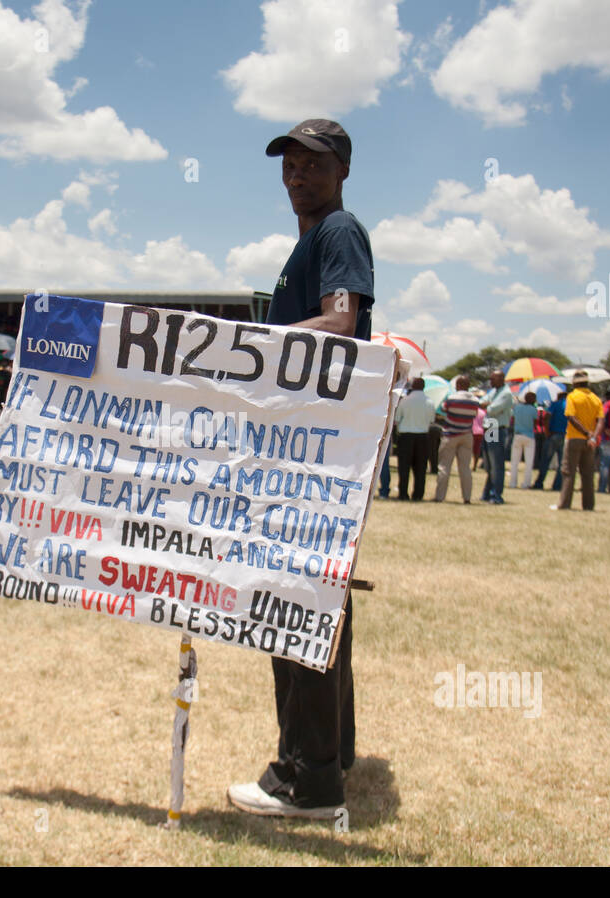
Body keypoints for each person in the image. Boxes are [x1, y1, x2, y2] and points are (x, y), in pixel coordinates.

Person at [228, 118, 371, 820]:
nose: (297, 175)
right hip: (307, 456)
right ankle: (331, 756)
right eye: (288, 164)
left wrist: (246, 344)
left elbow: (340, 326)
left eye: (312, 164)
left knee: (294, 605)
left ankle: (305, 780)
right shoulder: (310, 243)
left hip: (312, 461)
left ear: (342, 169)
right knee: (318, 608)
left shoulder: (338, 233)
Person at [553, 370, 604, 511]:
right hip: (590, 441)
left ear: (574, 383)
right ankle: (588, 505)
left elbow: (571, 417)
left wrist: (586, 433)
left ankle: (564, 504)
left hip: (574, 437)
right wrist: (593, 436)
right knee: (588, 474)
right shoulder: (596, 399)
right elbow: (600, 421)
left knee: (569, 472)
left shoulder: (573, 396)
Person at [434, 376, 480, 504]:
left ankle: (440, 496)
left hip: (450, 434)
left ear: (458, 385)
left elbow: (443, 409)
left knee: (444, 467)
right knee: (465, 468)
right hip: (466, 434)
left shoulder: (452, 398)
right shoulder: (475, 400)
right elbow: (474, 415)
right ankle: (467, 497)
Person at [394, 377, 433, 500]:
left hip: (406, 437)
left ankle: (403, 493)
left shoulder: (405, 400)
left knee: (404, 467)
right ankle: (418, 494)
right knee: (421, 468)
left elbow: (397, 419)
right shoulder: (429, 402)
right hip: (423, 437)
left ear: (412, 386)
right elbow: (431, 420)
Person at [480, 370, 514, 504]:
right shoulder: (494, 392)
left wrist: (487, 405)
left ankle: (496, 494)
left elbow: (491, 409)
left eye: (493, 379)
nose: (490, 382)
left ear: (501, 379)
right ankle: (487, 492)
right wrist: (486, 404)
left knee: (496, 463)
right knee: (489, 464)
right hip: (490, 427)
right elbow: (482, 402)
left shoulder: (506, 393)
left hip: (497, 429)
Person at [533, 390, 566, 492]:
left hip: (553, 434)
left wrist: (547, 431)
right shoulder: (570, 405)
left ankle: (539, 483)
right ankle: (557, 485)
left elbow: (547, 417)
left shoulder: (555, 404)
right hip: (565, 436)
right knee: (562, 463)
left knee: (545, 460)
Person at [509, 391, 538, 489]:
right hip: (529, 436)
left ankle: (512, 483)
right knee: (529, 462)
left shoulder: (517, 408)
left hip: (517, 435)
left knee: (514, 461)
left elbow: (512, 419)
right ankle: (526, 483)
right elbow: (534, 423)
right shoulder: (533, 409)